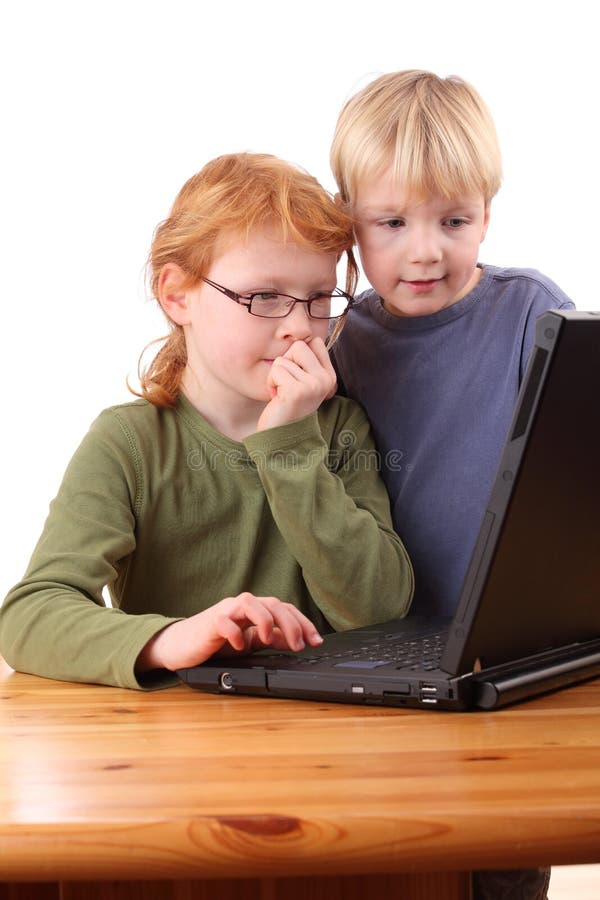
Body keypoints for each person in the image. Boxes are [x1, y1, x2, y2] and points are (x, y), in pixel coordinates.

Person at [0, 152, 413, 690]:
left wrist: (289, 443)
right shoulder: (129, 443)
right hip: (176, 741)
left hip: (323, 728)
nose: (299, 326)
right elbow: (31, 615)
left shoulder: (339, 428)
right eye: (264, 296)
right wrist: (173, 639)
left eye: (318, 298)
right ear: (177, 295)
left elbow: (380, 610)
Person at [329, 70, 573, 900]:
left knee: (503, 850)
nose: (425, 249)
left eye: (454, 220)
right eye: (392, 223)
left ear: (487, 216)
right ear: (351, 225)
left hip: (509, 652)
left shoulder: (529, 315)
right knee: (399, 848)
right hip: (387, 647)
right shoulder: (344, 344)